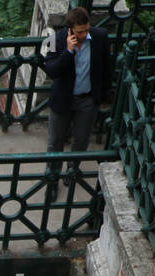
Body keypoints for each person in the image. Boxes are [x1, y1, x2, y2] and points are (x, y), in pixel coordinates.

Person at [42, 6, 110, 202]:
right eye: (80, 31)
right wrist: (69, 52)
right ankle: (52, 180)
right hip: (63, 98)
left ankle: (71, 172)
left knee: (81, 140)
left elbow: (106, 68)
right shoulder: (55, 39)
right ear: (70, 29)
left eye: (86, 30)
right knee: (55, 142)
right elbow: (51, 70)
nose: (84, 34)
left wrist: (102, 97)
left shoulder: (100, 37)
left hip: (87, 99)